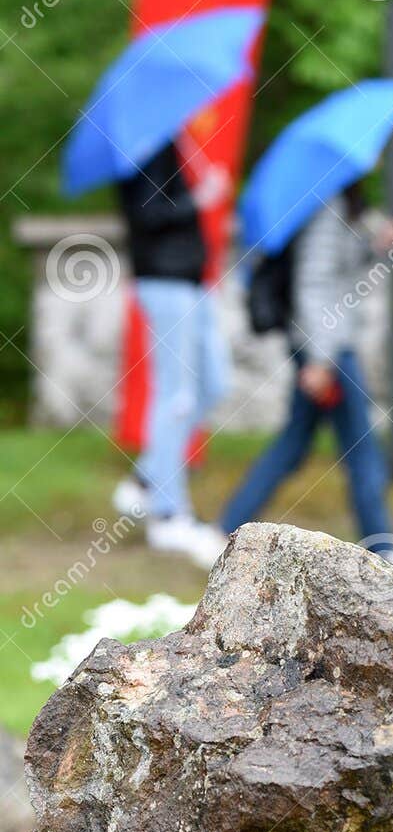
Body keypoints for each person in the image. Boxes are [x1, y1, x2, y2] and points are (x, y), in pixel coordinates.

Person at [217, 183, 393, 578]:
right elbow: (314, 283)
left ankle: (226, 528)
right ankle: (385, 551)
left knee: (294, 444)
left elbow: (335, 271)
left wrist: (375, 245)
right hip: (329, 350)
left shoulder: (331, 202)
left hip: (323, 346)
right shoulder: (326, 205)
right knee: (362, 452)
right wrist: (320, 360)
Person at [112, 138, 229, 568]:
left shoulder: (167, 145)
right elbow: (145, 215)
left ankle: (146, 478)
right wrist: (201, 197)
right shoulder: (138, 149)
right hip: (164, 281)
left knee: (214, 384)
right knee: (175, 395)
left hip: (190, 282)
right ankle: (167, 514)